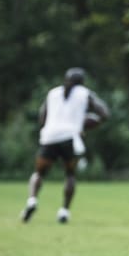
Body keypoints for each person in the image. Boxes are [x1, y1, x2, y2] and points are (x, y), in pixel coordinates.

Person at [20, 67, 109, 224]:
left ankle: (32, 200)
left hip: (49, 137)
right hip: (69, 138)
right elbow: (104, 113)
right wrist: (84, 124)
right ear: (82, 81)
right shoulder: (84, 93)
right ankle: (64, 211)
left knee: (39, 173)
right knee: (70, 175)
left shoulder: (53, 93)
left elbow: (42, 119)